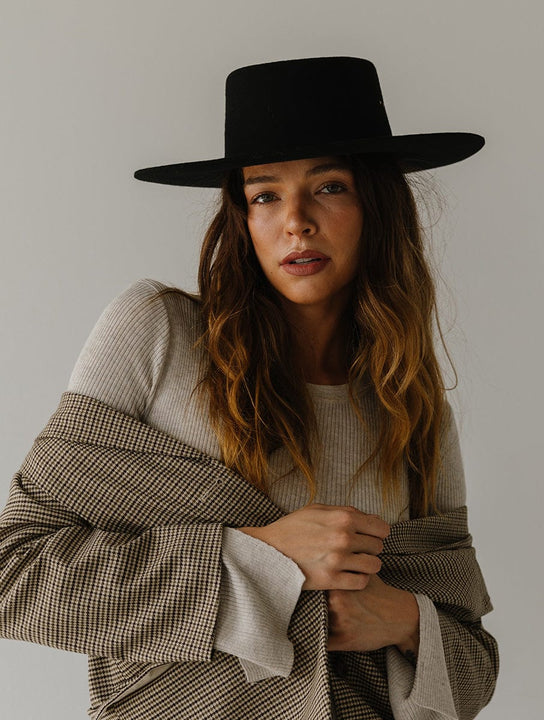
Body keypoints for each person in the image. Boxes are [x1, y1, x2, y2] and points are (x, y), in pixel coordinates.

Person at [0, 57, 498, 719]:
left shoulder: (409, 407)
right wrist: (263, 558)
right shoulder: (159, 334)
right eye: (265, 195)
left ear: (377, 206)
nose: (296, 221)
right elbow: (14, 575)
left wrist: (405, 620)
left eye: (329, 187)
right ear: (241, 216)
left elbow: (473, 666)